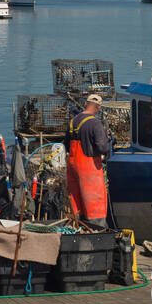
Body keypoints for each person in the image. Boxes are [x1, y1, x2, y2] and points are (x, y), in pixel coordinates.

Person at [65, 93, 110, 227]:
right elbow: (102, 147)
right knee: (94, 202)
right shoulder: (95, 123)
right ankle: (97, 230)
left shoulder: (73, 122)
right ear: (99, 107)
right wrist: (109, 143)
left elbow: (66, 145)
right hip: (88, 169)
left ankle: (77, 226)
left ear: (85, 104)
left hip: (72, 166)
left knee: (76, 198)